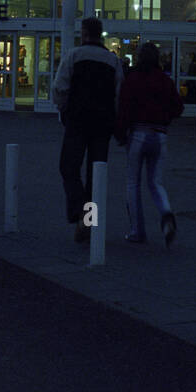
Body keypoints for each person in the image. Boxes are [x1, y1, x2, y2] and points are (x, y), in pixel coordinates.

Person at [52, 17, 122, 243]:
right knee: (96, 175)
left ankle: (79, 211)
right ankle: (89, 220)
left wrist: (63, 109)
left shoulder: (73, 55)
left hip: (78, 119)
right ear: (100, 34)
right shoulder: (113, 60)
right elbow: (119, 94)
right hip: (103, 123)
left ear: (83, 33)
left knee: (68, 167)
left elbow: (59, 87)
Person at [115, 42, 183, 246]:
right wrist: (164, 118)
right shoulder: (165, 80)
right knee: (155, 182)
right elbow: (178, 107)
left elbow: (124, 107)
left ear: (139, 58)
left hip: (137, 134)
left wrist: (120, 133)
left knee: (133, 183)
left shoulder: (133, 79)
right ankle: (166, 214)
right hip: (160, 135)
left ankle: (137, 230)